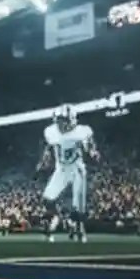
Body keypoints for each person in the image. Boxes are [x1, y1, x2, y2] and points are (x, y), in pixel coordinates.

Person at [36, 104, 99, 243]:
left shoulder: (82, 131)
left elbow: (90, 144)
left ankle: (79, 229)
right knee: (47, 199)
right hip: (61, 169)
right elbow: (49, 147)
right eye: (59, 120)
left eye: (63, 120)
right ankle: (59, 218)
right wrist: (44, 159)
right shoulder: (51, 132)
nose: (60, 124)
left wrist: (93, 152)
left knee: (78, 205)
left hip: (77, 168)